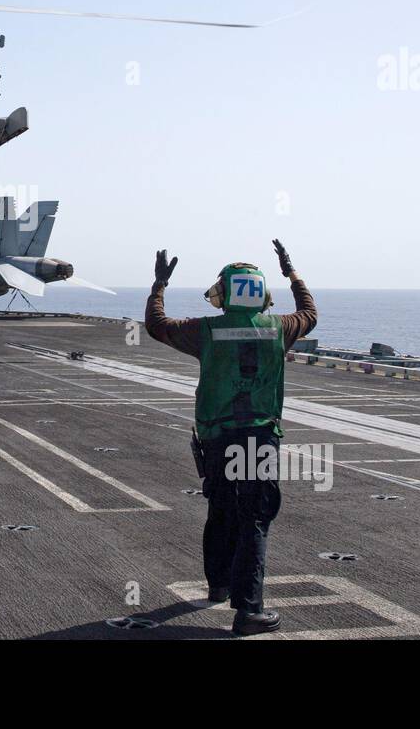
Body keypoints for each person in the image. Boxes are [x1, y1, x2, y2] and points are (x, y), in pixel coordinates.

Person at [145, 239, 316, 636]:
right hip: (258, 437)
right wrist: (292, 271)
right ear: (261, 296)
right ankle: (248, 610)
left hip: (217, 438)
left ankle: (219, 585)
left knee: (221, 507)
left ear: (225, 294)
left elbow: (157, 326)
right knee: (254, 517)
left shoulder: (206, 330)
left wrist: (159, 285)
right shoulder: (280, 328)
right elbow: (310, 312)